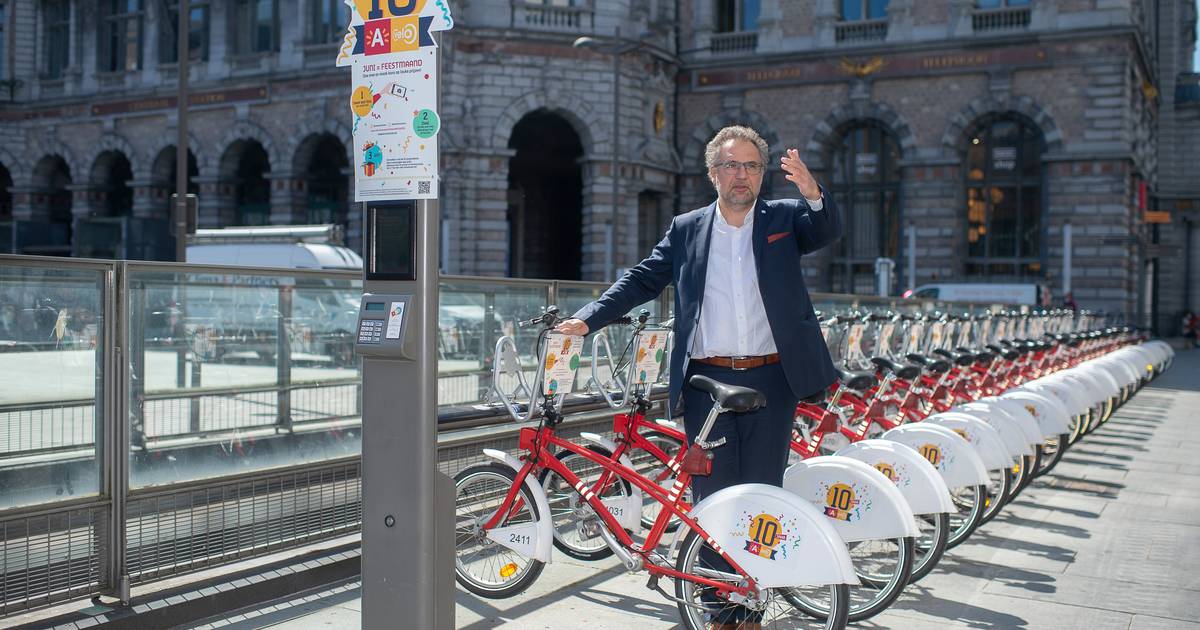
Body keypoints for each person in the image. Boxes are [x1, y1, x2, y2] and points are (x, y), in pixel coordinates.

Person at [556, 125, 841, 627]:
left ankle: (753, 600)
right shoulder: (688, 227)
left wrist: (812, 191)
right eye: (731, 165)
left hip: (773, 380)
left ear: (761, 175)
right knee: (712, 502)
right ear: (713, 173)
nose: (742, 175)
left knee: (760, 494)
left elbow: (825, 230)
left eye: (752, 166)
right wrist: (588, 318)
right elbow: (642, 278)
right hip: (707, 382)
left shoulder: (783, 218)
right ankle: (718, 611)